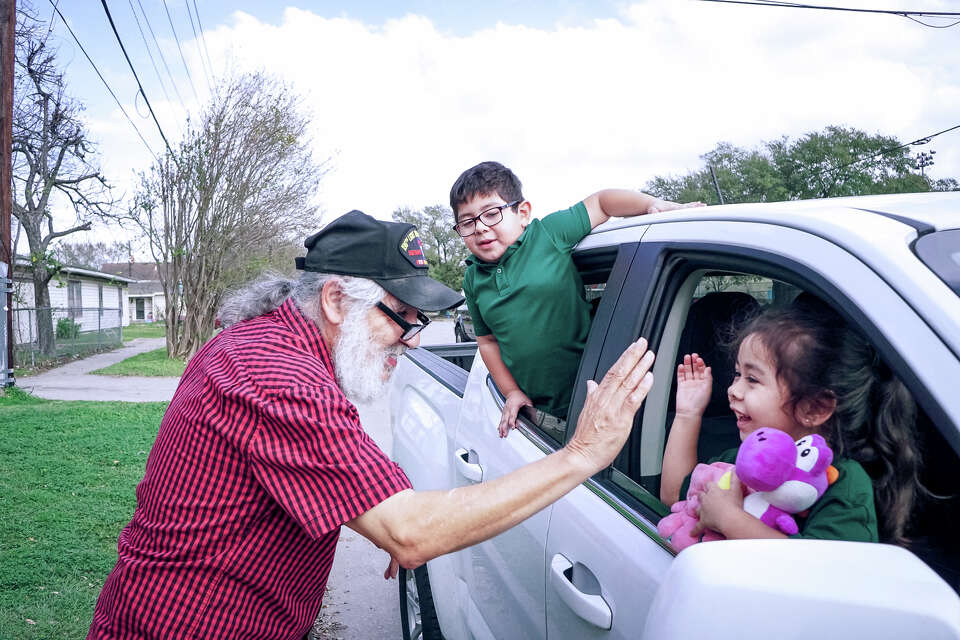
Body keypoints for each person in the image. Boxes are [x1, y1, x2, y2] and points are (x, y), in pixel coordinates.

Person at [87, 210, 657, 640]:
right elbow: (410, 535)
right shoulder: (277, 374)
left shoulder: (278, 345)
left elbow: (336, 461)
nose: (413, 341)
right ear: (336, 300)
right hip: (191, 623)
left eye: (419, 321)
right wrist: (581, 453)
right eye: (401, 316)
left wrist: (380, 507)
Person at [451, 161, 702, 437]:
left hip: (598, 397)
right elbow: (487, 342)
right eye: (467, 222)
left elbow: (602, 203)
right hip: (542, 416)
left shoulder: (548, 234)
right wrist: (511, 392)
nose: (480, 228)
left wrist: (653, 204)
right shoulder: (473, 277)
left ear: (522, 213)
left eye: (491, 214)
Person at [660, 302, 923, 545]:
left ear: (814, 408)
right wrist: (687, 414)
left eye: (752, 379)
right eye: (737, 374)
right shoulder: (741, 460)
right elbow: (674, 495)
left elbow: (821, 570)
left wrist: (729, 519)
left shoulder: (843, 483)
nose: (733, 390)